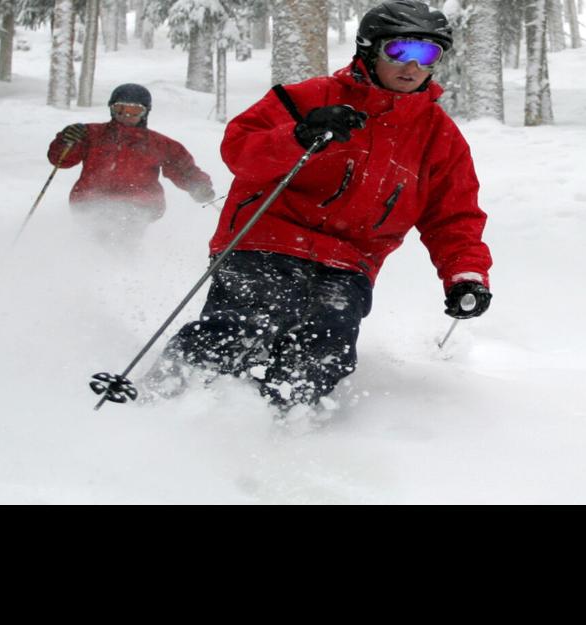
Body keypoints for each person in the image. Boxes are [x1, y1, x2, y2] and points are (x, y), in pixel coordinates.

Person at [148, 0, 493, 411]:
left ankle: (283, 423)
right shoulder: (311, 98)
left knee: (325, 347)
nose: (414, 66)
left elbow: (454, 215)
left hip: (351, 262)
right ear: (370, 49)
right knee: (242, 324)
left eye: (428, 54)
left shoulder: (438, 135)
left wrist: (464, 275)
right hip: (268, 239)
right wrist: (299, 134)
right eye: (401, 50)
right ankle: (166, 400)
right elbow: (239, 150)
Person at [48, 84, 216, 243]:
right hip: (91, 201)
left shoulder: (158, 143)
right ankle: (96, 266)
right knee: (95, 237)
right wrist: (66, 140)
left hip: (138, 204)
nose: (127, 116)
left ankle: (123, 267)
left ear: (145, 113)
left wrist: (198, 186)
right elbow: (60, 161)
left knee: (121, 232)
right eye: (120, 110)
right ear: (112, 109)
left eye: (134, 111)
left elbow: (183, 168)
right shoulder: (92, 134)